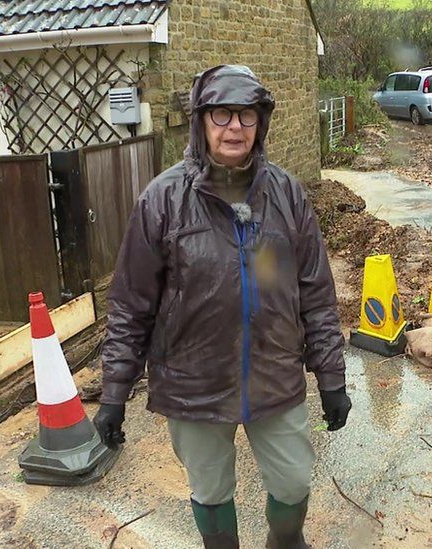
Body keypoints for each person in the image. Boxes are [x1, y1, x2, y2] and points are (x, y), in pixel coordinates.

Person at [93, 64, 351, 549]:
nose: (235, 127)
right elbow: (130, 307)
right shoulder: (162, 200)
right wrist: (113, 394)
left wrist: (331, 378)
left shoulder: (287, 195)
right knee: (210, 490)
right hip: (194, 383)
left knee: (294, 483)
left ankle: (286, 541)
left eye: (247, 116)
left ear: (261, 123)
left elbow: (315, 294)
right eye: (222, 115)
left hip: (274, 375)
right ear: (201, 122)